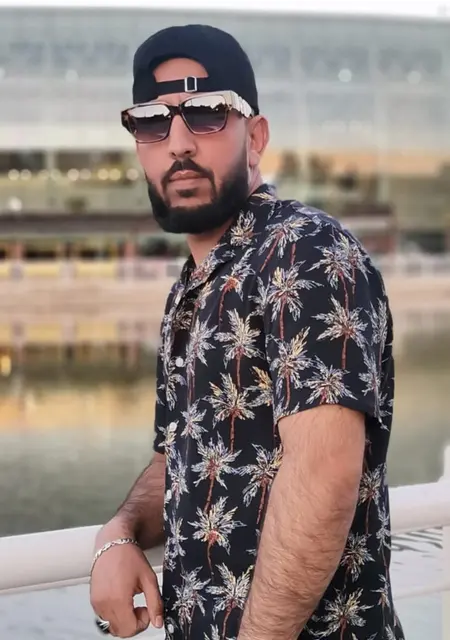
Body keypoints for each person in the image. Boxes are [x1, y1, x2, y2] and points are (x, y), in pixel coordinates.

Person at [89, 24, 405, 640]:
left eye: (207, 114)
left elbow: (323, 476)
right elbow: (182, 458)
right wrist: (119, 533)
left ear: (255, 137)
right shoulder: (192, 287)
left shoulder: (305, 252)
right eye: (152, 123)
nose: (178, 144)